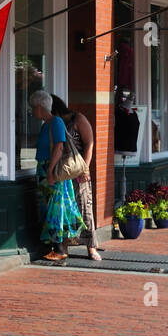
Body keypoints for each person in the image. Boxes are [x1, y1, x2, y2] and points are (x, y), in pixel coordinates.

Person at [28, 90, 84, 261]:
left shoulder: (56, 122)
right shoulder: (47, 124)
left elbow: (59, 147)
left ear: (39, 107)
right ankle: (53, 246)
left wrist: (51, 171)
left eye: (33, 108)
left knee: (56, 209)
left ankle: (59, 249)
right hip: (44, 170)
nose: (32, 111)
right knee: (48, 209)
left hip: (52, 172)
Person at [55, 97, 101, 260]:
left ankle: (91, 247)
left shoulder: (78, 119)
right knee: (66, 209)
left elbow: (89, 143)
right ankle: (65, 245)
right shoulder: (56, 123)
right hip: (63, 172)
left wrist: (85, 168)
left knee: (84, 207)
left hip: (78, 170)